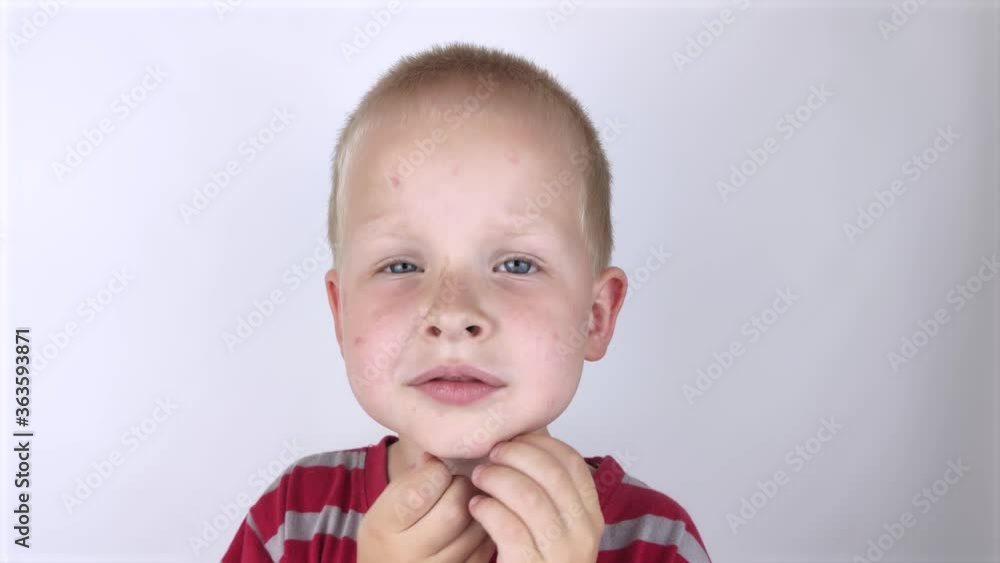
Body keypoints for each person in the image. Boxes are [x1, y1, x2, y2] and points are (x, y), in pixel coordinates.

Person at [222, 42, 711, 563]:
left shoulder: (656, 542)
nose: (452, 314)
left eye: (517, 265)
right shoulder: (290, 520)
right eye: (402, 266)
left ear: (595, 317)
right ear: (341, 315)